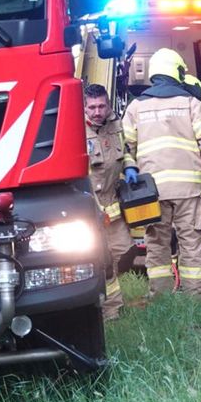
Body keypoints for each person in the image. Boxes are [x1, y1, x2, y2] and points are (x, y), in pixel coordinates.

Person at [122, 48, 201, 296]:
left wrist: (130, 168)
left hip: (151, 191)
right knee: (191, 242)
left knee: (157, 243)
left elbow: (126, 147)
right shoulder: (192, 104)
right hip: (189, 188)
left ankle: (160, 295)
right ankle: (195, 295)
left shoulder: (135, 107)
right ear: (177, 72)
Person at [84, 83, 133, 321]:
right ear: (85, 107)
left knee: (123, 251)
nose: (97, 111)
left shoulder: (116, 125)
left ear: (108, 105)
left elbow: (127, 151)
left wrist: (130, 167)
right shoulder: (75, 129)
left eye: (101, 106)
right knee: (103, 260)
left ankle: (110, 303)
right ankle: (109, 311)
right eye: (92, 107)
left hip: (112, 207)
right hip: (91, 208)